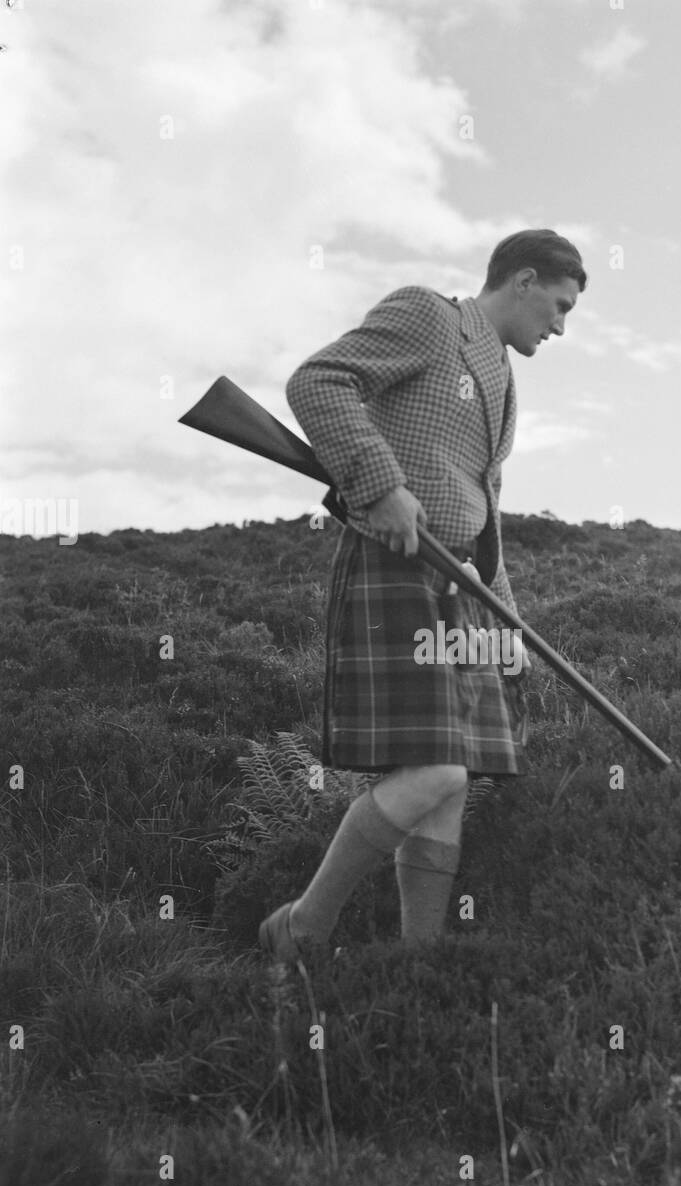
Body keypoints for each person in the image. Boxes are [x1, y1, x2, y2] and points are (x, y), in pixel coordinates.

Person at [259, 229, 586, 963]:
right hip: (394, 566)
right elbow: (318, 381)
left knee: (450, 783)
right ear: (524, 280)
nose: (561, 326)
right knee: (435, 768)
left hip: (460, 588)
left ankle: (419, 963)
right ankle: (303, 928)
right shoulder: (429, 317)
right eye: (559, 307)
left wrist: (508, 629)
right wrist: (382, 484)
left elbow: (482, 514)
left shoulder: (501, 378)